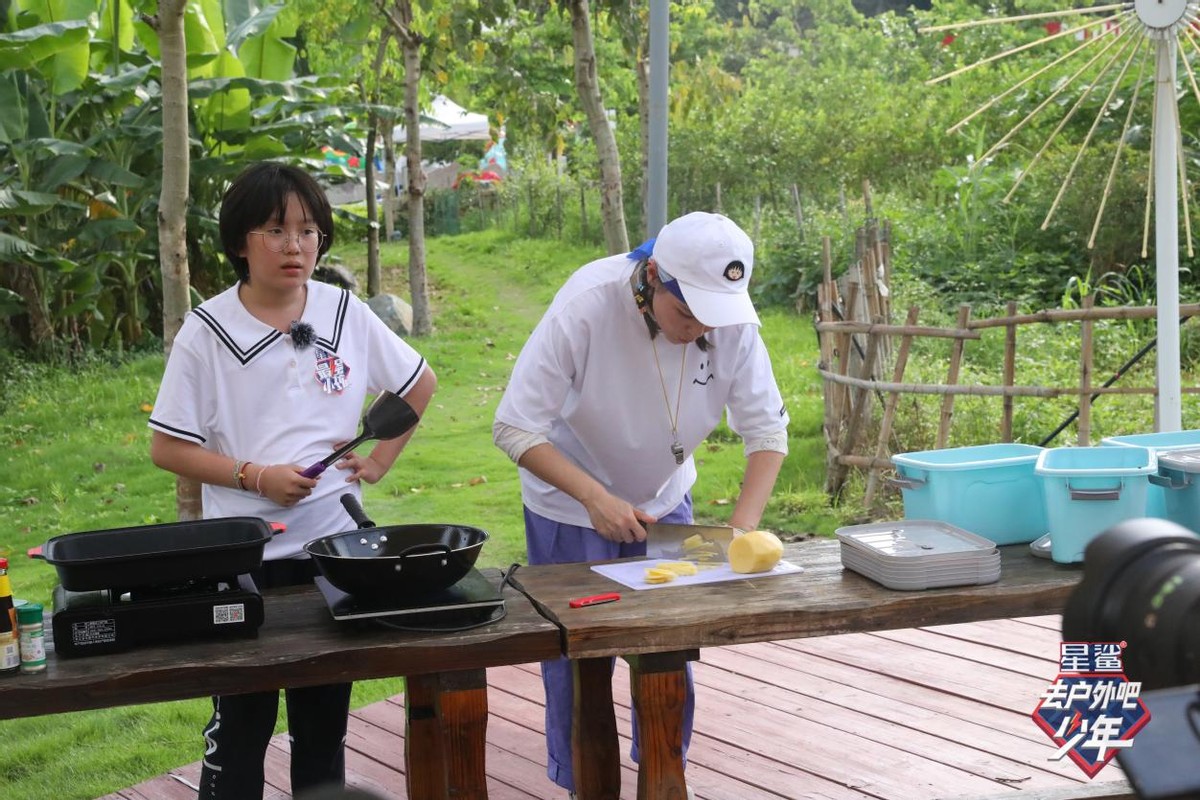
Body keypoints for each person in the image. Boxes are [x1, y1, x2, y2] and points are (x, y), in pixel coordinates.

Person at [147, 161, 437, 800]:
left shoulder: (343, 311)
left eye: (308, 231)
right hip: (243, 558)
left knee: (323, 723)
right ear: (239, 241)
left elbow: (418, 383)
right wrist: (255, 477)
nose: (295, 246)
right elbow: (167, 447)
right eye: (276, 230)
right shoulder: (207, 333)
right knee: (241, 725)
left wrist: (379, 461)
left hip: (334, 553)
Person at [492, 211, 789, 796]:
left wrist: (742, 529)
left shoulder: (729, 320)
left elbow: (767, 431)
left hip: (666, 497)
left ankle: (664, 773)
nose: (698, 329)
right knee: (578, 654)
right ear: (653, 276)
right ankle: (583, 781)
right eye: (686, 313)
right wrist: (595, 497)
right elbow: (514, 427)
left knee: (670, 646)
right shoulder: (587, 303)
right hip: (571, 504)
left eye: (713, 317)